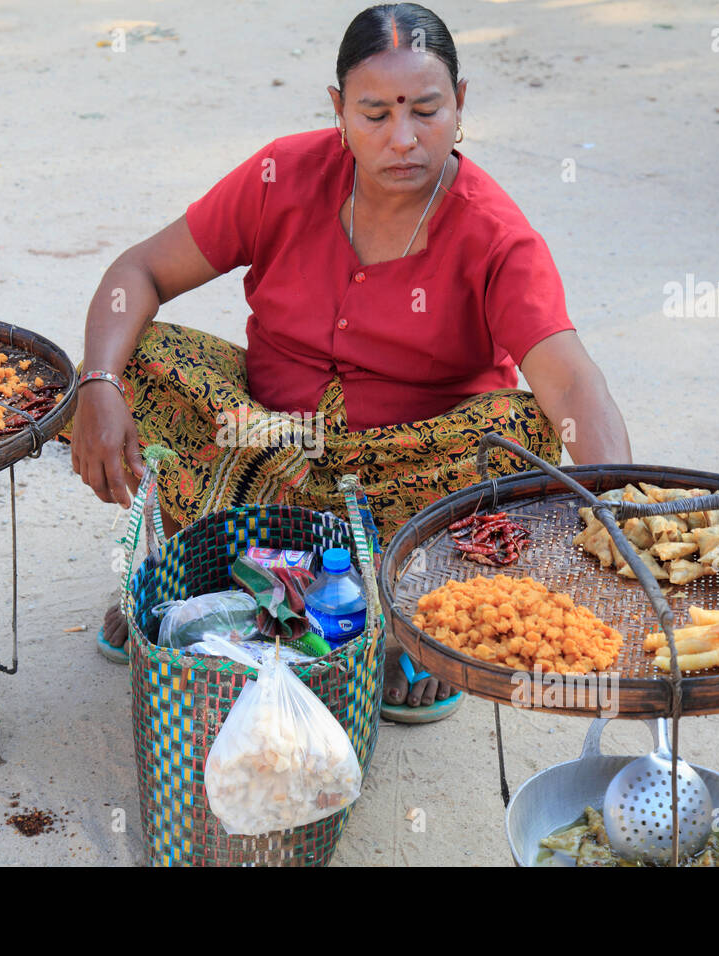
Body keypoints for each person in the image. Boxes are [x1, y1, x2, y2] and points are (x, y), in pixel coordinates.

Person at [59, 2, 631, 722]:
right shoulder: (281, 174)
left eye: (427, 110)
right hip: (267, 445)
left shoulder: (496, 235)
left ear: (461, 104)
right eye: (375, 114)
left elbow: (573, 380)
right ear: (337, 110)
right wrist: (100, 382)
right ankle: (198, 569)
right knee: (132, 359)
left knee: (532, 435)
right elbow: (140, 271)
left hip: (419, 475)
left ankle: (423, 617)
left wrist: (610, 518)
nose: (403, 139)